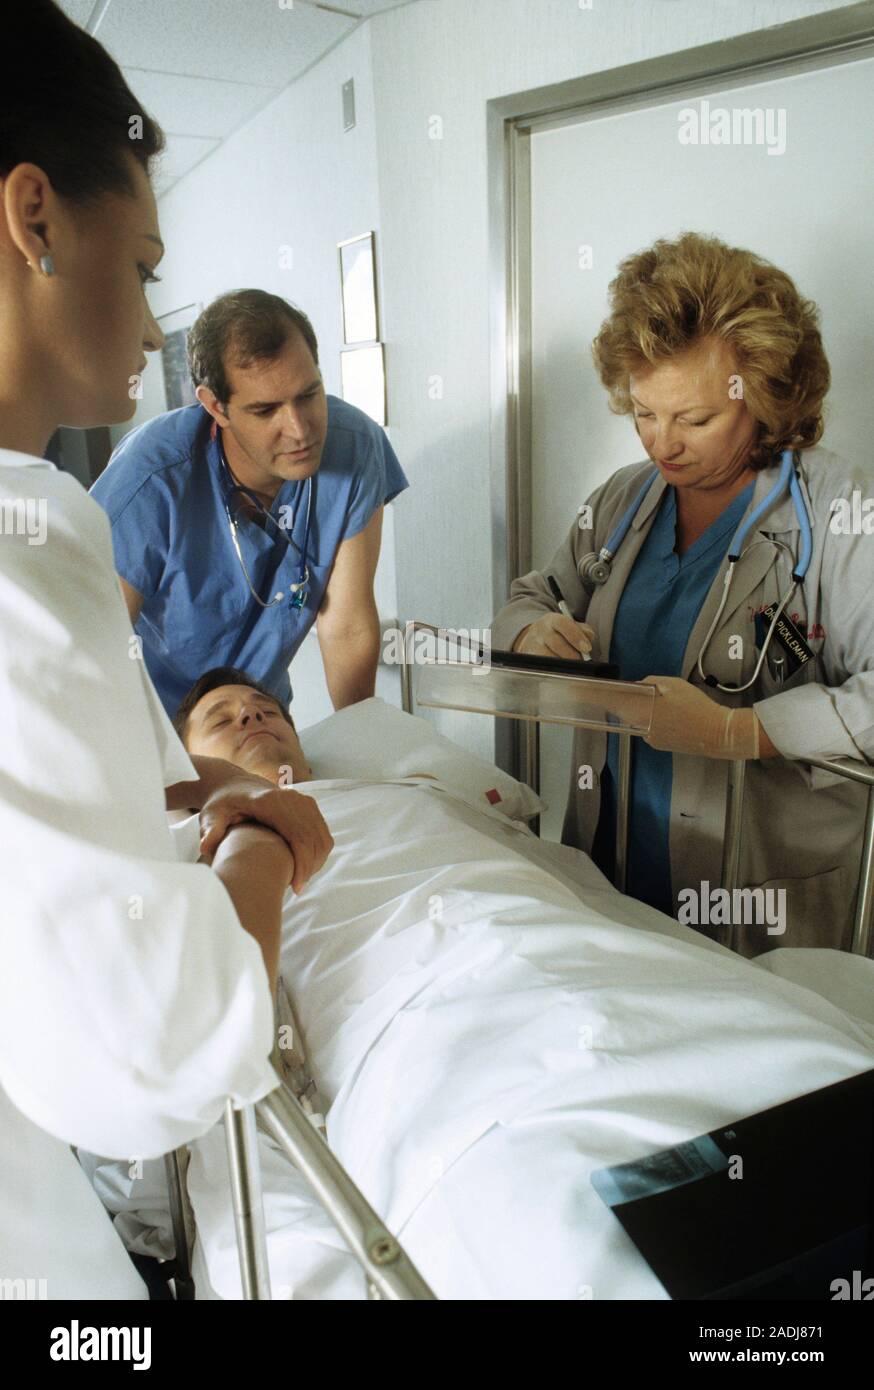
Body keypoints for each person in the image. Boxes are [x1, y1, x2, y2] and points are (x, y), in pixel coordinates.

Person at [0, 0, 332, 1298]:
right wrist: (261, 837)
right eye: (140, 269)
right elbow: (157, 1047)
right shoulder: (42, 534)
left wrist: (213, 792)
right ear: (35, 218)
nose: (147, 323)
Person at [492, 232, 873, 954]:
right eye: (643, 413)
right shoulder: (624, 502)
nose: (661, 444)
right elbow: (531, 594)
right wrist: (529, 632)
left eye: (694, 420)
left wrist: (742, 732)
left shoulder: (838, 512)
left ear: (764, 396)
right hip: (614, 865)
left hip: (764, 890)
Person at [90, 289, 408, 717]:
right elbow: (91, 648)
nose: (299, 430)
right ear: (215, 406)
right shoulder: (150, 480)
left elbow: (346, 624)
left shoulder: (354, 447)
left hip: (262, 719)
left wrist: (359, 743)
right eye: (265, 410)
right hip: (157, 730)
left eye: (308, 394)